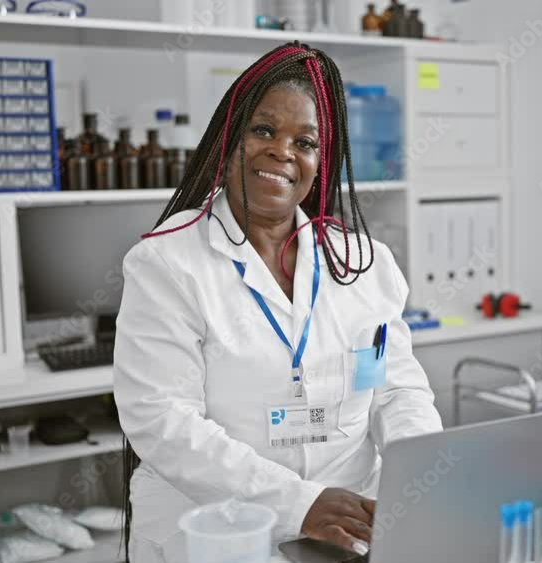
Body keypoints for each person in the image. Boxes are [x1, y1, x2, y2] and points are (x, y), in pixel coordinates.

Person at [113, 42, 442, 563]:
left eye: (305, 141)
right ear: (231, 137)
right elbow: (164, 422)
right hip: (212, 534)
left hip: (349, 530)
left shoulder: (362, 264)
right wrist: (301, 504)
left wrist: (417, 476)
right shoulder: (168, 262)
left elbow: (391, 388)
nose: (282, 151)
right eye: (264, 130)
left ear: (321, 159)